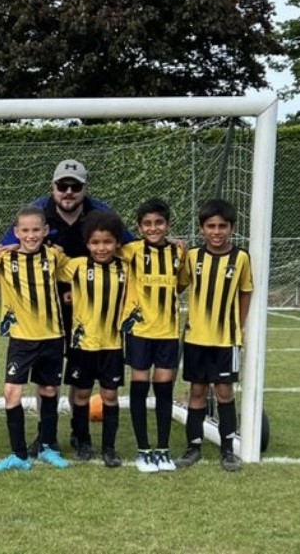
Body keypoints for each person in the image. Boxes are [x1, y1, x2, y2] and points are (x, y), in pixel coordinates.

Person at [0, 158, 132, 453]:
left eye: (75, 186)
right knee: (46, 380)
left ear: (85, 188)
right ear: (53, 187)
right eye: (62, 186)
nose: (68, 191)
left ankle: (77, 433)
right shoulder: (36, 213)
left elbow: (130, 248)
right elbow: (9, 249)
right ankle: (45, 436)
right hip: (45, 314)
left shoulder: (101, 213)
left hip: (91, 311)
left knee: (78, 377)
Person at [0, 206, 71, 472]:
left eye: (36, 230)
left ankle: (47, 447)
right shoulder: (1, 260)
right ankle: (19, 455)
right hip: (21, 340)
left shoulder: (54, 256)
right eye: (25, 230)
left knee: (48, 391)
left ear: (45, 231)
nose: (31, 235)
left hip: (52, 336)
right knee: (12, 391)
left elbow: (77, 268)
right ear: (16, 232)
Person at [175, 199, 253, 472]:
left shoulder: (241, 257)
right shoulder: (193, 256)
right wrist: (176, 258)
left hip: (225, 340)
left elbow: (246, 291)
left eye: (222, 226)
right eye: (211, 226)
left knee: (224, 392)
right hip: (196, 338)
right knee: (197, 391)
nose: (216, 232)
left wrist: (239, 327)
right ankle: (193, 446)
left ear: (232, 228)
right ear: (201, 228)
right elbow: (178, 286)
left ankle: (228, 450)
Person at [120, 198, 184, 473]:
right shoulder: (131, 250)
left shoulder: (179, 253)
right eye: (147, 223)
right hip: (139, 331)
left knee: (164, 389)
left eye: (159, 223)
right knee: (140, 385)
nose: (153, 228)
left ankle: (163, 449)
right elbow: (101, 248)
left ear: (168, 225)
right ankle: (143, 450)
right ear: (139, 226)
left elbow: (179, 286)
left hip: (168, 332)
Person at [62, 210, 128, 468]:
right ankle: (82, 439)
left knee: (110, 396)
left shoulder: (126, 268)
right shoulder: (76, 266)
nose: (102, 248)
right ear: (87, 243)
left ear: (117, 243)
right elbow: (44, 265)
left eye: (108, 242)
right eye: (96, 242)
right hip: (82, 344)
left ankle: (109, 448)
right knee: (81, 395)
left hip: (112, 344)